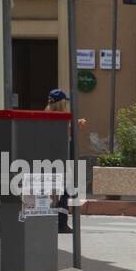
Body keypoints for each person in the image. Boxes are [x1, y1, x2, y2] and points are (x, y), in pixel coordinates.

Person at [44, 90, 86, 234]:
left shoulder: (45, 116)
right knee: (65, 192)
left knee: (55, 192)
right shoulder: (60, 117)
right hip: (59, 161)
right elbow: (59, 135)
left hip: (49, 161)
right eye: (65, 102)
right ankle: (61, 223)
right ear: (62, 102)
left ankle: (55, 222)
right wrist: (74, 127)